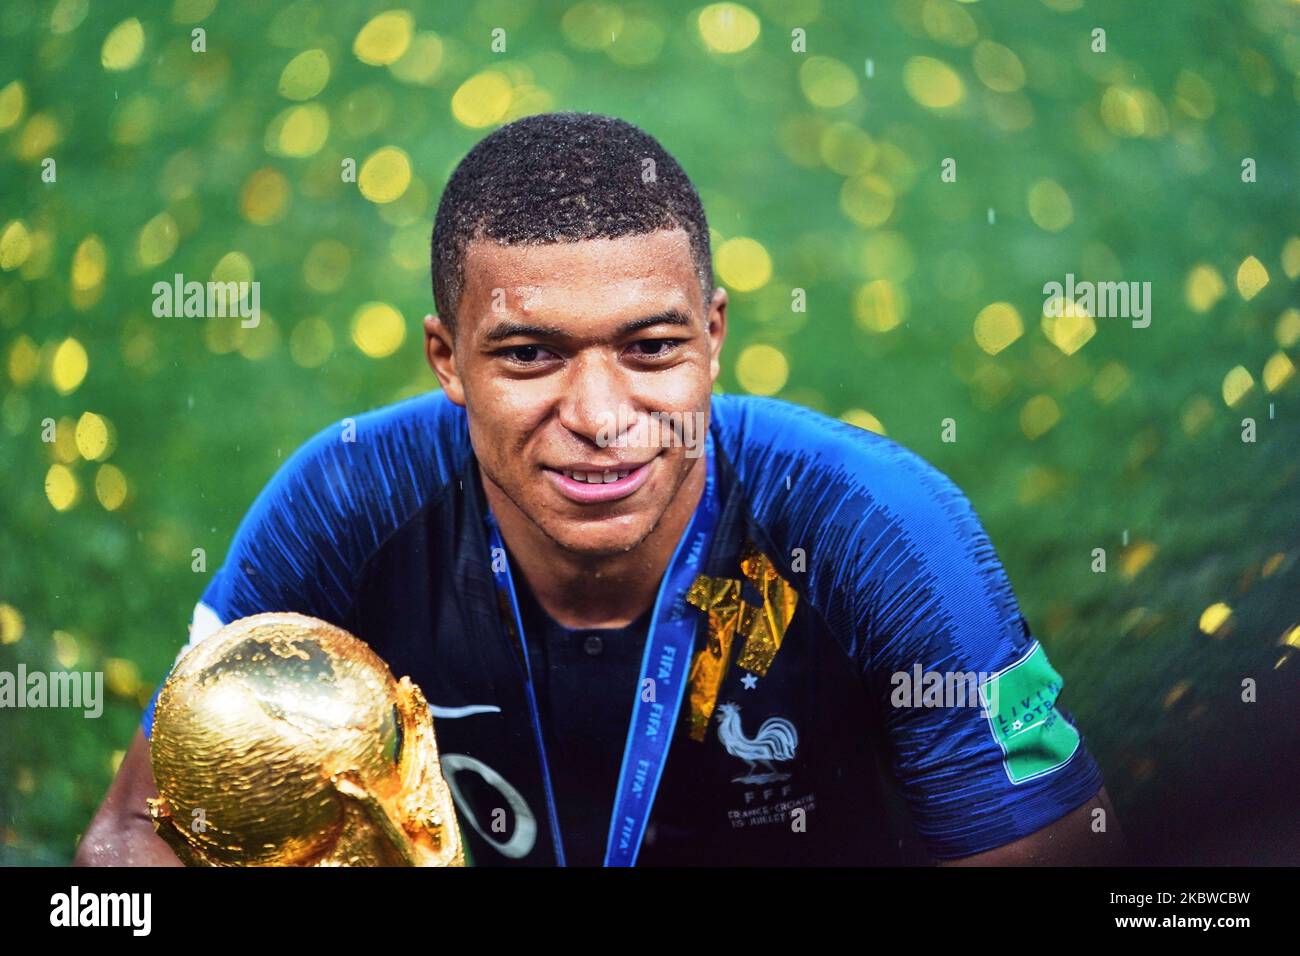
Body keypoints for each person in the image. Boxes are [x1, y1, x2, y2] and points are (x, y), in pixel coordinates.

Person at [76, 112, 1123, 867]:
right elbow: (132, 834)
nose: (601, 413)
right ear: (446, 359)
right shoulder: (343, 501)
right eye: (529, 354)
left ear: (713, 338)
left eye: (650, 346)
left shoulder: (878, 527)